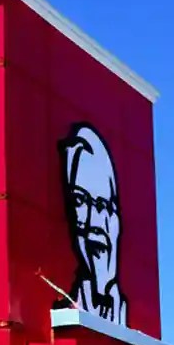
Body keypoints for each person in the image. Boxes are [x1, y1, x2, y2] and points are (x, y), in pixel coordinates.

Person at [59, 123, 128, 326]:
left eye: (103, 205)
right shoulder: (67, 309)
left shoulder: (125, 314)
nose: (94, 221)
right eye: (80, 201)